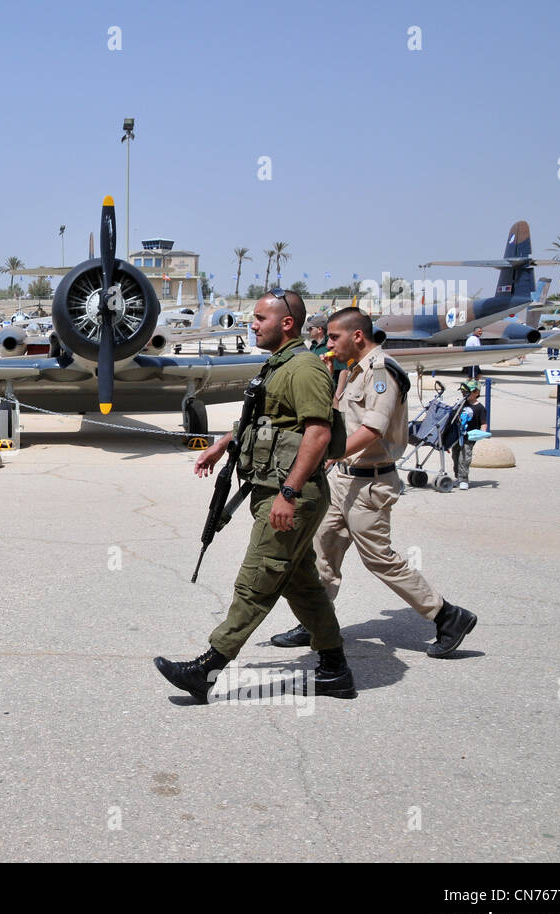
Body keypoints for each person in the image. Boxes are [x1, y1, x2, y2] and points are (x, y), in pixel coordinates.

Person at [154, 289, 357, 702]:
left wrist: (288, 492)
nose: (253, 324)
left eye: (260, 318)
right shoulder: (279, 365)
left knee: (256, 580)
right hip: (271, 491)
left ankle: (207, 668)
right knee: (300, 585)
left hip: (290, 497)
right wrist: (221, 444)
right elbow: (262, 420)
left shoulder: (305, 369)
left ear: (286, 323)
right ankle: (335, 670)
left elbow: (317, 434)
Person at [270, 308, 478, 659]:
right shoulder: (352, 370)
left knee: (379, 559)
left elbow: (371, 430)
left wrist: (325, 454)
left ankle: (448, 616)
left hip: (370, 483)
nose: (328, 344)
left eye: (333, 338)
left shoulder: (381, 372)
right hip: (343, 479)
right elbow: (341, 415)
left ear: (357, 336)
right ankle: (316, 623)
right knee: (323, 550)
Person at [453, 380, 485, 490]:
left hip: (470, 436)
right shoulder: (462, 403)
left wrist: (482, 434)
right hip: (457, 435)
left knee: (464, 457)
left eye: (467, 393)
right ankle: (458, 476)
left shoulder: (480, 408)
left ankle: (464, 479)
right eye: (463, 393)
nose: (464, 395)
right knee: (455, 456)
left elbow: (484, 423)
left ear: (476, 393)